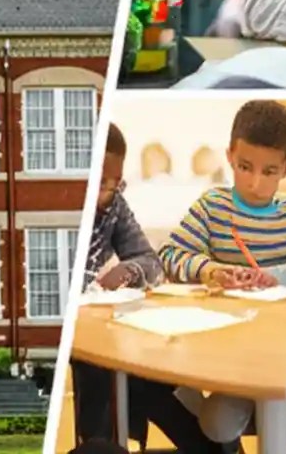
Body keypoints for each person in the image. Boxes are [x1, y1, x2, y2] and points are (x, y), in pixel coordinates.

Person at [158, 100, 286, 446]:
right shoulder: (212, 207)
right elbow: (170, 255)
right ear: (229, 156)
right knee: (218, 425)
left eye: (269, 171)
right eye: (244, 166)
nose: (255, 182)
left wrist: (279, 276)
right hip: (231, 359)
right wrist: (210, 270)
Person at [70, 124, 223, 453]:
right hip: (86, 341)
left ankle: (210, 445)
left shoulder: (114, 205)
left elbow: (150, 261)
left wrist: (130, 271)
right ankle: (102, 442)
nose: (104, 195)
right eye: (98, 184)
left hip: (110, 327)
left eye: (114, 184)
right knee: (102, 368)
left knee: (150, 368)